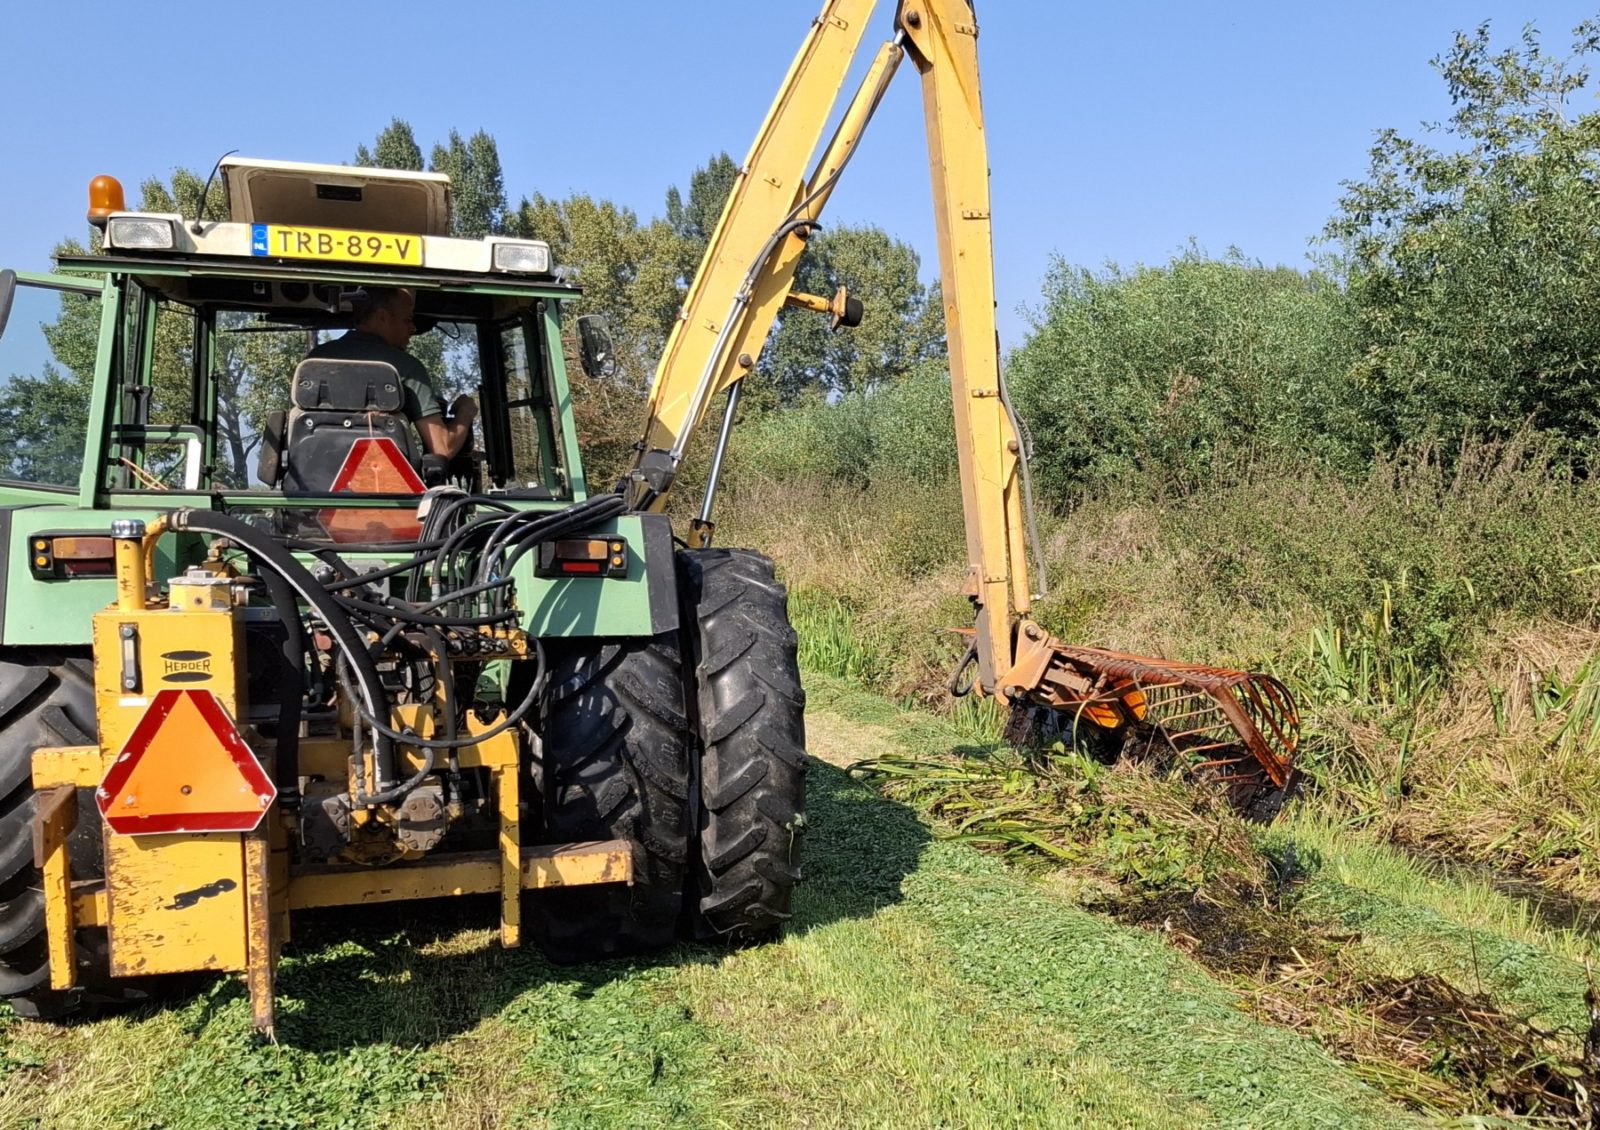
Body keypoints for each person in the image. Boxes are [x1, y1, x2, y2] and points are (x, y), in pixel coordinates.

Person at [305, 286, 478, 458]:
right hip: (386, 480)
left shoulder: (314, 360)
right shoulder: (407, 367)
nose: (413, 328)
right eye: (407, 319)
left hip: (312, 479)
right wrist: (465, 412)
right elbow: (442, 449)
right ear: (382, 317)